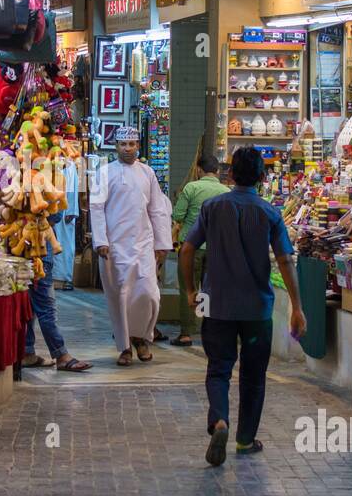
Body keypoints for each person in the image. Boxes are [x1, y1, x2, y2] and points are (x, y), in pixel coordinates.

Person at [181, 146, 307, 466]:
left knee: (218, 368)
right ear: (263, 178)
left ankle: (219, 421)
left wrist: (190, 291)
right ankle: (245, 440)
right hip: (257, 308)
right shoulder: (270, 213)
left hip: (215, 303)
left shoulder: (211, 207)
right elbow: (285, 260)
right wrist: (297, 306)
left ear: (230, 174)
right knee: (254, 376)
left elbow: (186, 250)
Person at [89, 127, 172, 366]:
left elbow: (157, 209)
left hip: (143, 244)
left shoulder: (147, 173)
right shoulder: (104, 173)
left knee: (148, 293)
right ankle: (125, 347)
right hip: (114, 247)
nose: (127, 149)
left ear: (138, 146)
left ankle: (142, 337)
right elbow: (96, 208)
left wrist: (162, 243)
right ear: (116, 147)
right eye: (123, 145)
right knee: (121, 296)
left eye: (132, 144)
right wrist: (101, 241)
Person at [170, 154, 228, 346]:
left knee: (188, 288)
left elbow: (178, 214)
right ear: (217, 171)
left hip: (190, 247)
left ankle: (186, 332)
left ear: (198, 170)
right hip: (215, 249)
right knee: (208, 290)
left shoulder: (191, 187)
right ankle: (206, 331)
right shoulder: (226, 191)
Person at [49, 154, 79, 291]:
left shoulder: (69, 164)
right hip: (49, 208)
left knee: (65, 243)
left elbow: (72, 187)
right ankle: (51, 276)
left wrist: (72, 209)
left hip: (65, 209)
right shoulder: (47, 161)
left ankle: (65, 278)